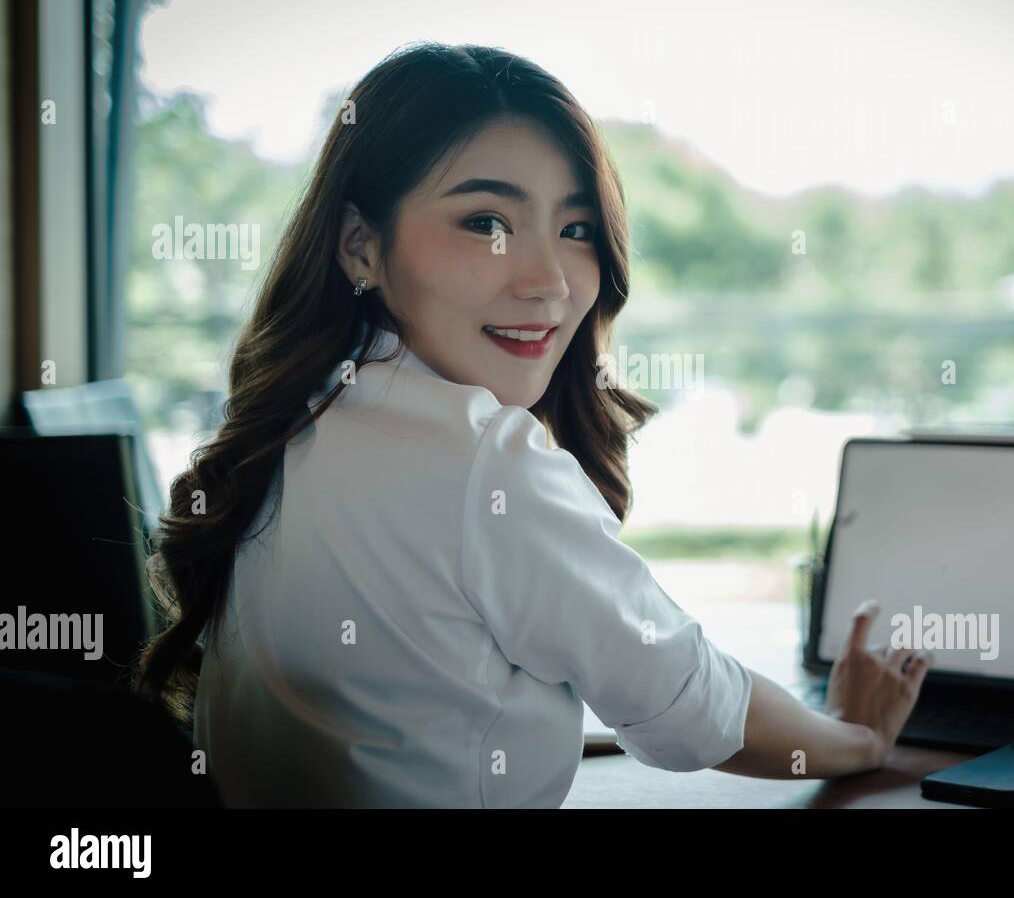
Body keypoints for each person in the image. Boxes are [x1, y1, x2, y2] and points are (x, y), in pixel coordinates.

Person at [132, 42, 930, 807]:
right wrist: (858, 739)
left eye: (576, 229)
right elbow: (695, 708)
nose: (549, 281)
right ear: (359, 245)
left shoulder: (304, 418)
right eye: (486, 222)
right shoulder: (482, 458)